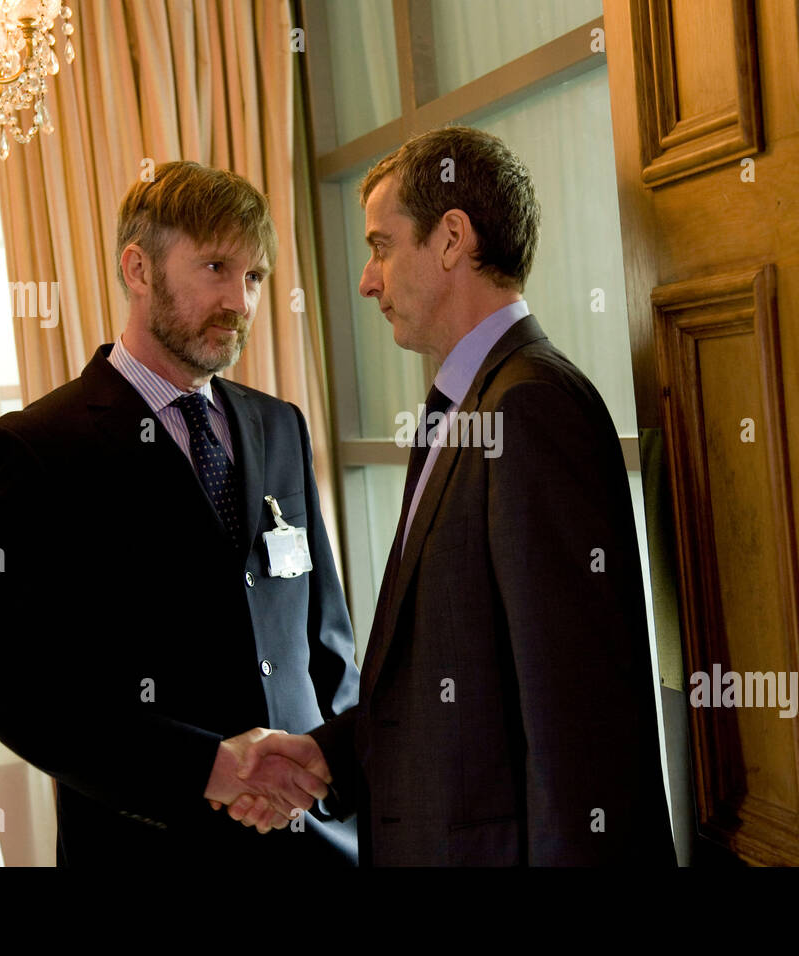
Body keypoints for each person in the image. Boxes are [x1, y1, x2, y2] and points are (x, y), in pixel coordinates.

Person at [228, 127, 675, 866]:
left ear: (451, 239)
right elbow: (455, 677)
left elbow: (578, 717)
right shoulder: (469, 405)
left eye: (380, 245)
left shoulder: (531, 408)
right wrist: (322, 756)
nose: (368, 280)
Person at [0, 160, 358, 867]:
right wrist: (212, 768)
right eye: (215, 266)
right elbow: (17, 691)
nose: (239, 300)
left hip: (319, 844)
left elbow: (326, 643)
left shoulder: (281, 426)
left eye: (256, 276)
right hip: (149, 849)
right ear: (138, 268)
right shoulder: (33, 450)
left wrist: (333, 772)